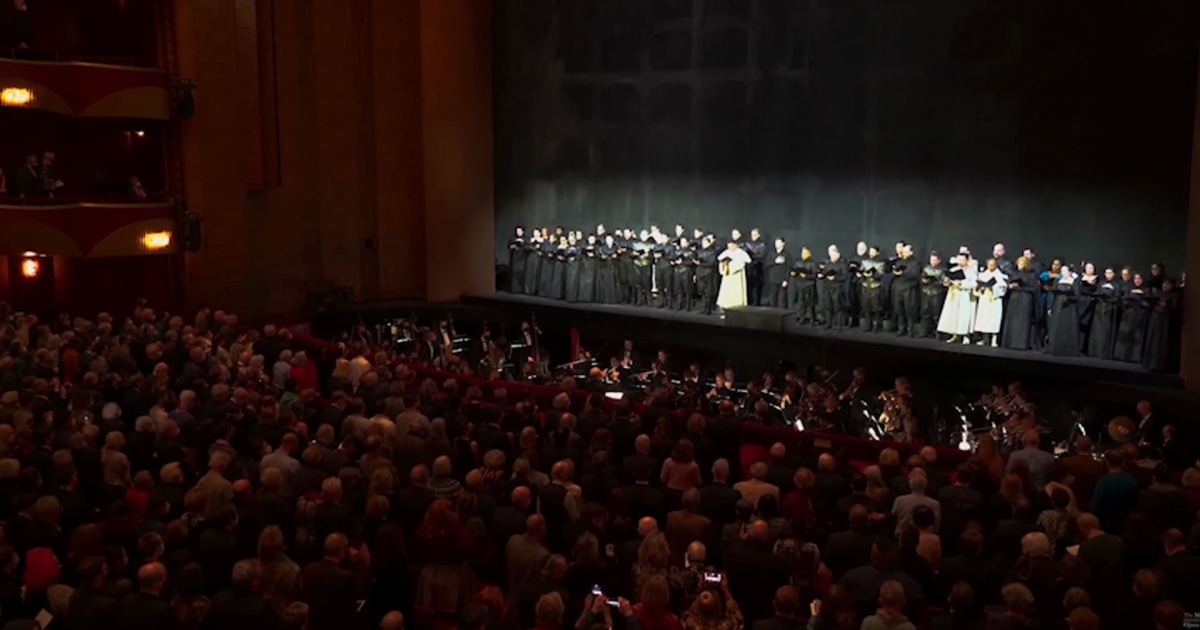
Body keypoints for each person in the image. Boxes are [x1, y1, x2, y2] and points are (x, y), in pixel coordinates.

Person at [1001, 257, 1041, 350]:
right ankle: (1009, 342)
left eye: (1022, 264)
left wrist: (1020, 287)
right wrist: (1010, 286)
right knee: (1012, 321)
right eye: (1018, 263)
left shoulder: (1031, 275)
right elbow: (1008, 285)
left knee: (1023, 322)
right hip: (1014, 299)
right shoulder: (1014, 273)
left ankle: (1021, 343)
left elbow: (1034, 289)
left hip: (1025, 300)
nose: (1019, 266)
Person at [937, 252, 977, 343]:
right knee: (954, 315)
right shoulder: (954, 269)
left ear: (967, 260)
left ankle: (965, 336)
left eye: (962, 260)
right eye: (959, 259)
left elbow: (974, 283)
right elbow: (946, 282)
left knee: (964, 316)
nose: (960, 262)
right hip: (954, 294)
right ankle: (955, 334)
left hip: (964, 295)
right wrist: (947, 281)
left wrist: (962, 283)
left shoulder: (971, 271)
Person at [1047, 264, 1083, 357]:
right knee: (1057, 327)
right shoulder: (1057, 280)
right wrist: (1050, 307)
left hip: (1069, 307)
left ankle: (1068, 349)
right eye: (1062, 271)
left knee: (1068, 327)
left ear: (1070, 272)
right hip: (1058, 306)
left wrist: (1069, 296)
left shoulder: (1074, 282)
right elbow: (1053, 294)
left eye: (1065, 271)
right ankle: (1055, 348)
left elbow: (1077, 295)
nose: (1063, 273)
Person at [973, 258, 1006, 347]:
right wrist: (981, 288)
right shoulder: (983, 275)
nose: (990, 267)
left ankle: (994, 340)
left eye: (992, 265)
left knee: (994, 320)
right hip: (985, 298)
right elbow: (977, 286)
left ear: (996, 265)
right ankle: (985, 339)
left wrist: (993, 288)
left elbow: (1003, 289)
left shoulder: (1000, 276)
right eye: (989, 265)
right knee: (984, 319)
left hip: (994, 300)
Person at [817, 245, 848, 329]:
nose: (833, 257)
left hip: (837, 288)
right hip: (827, 287)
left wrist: (835, 278)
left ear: (838, 255)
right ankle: (828, 324)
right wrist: (822, 276)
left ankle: (839, 325)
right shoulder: (828, 264)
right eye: (831, 255)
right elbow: (824, 274)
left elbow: (845, 277)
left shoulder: (843, 265)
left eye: (834, 255)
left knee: (838, 307)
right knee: (828, 306)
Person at [716, 242, 751, 313]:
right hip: (727, 277)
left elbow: (747, 261)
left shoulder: (741, 253)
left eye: (731, 246)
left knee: (736, 294)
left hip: (737, 277)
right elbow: (720, 259)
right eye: (729, 246)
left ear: (735, 245)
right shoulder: (726, 252)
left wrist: (733, 265)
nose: (730, 248)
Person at [763, 237, 792, 307]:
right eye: (776, 243)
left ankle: (782, 312)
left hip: (782, 279)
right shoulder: (771, 253)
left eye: (779, 243)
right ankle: (773, 312)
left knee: (782, 300)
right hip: (773, 279)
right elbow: (766, 264)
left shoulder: (787, 254)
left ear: (783, 243)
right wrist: (775, 261)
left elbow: (789, 267)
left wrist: (786, 279)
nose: (777, 244)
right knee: (773, 298)